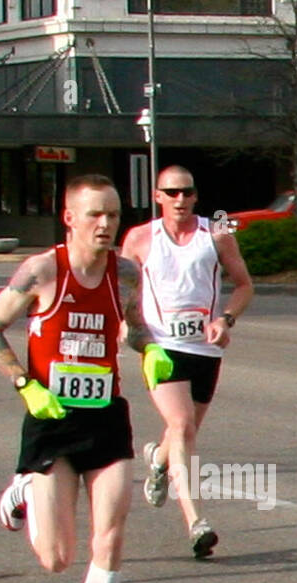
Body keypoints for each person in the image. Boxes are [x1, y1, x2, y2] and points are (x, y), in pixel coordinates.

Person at [0, 174, 146, 583]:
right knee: (55, 559)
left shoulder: (126, 274)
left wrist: (152, 350)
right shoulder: (42, 270)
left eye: (114, 214)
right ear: (69, 217)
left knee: (111, 535)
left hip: (105, 415)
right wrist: (25, 384)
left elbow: (135, 327)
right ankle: (24, 487)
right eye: (95, 214)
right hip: (51, 419)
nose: (106, 224)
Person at [118, 164, 254, 558]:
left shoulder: (216, 234)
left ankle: (158, 460)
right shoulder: (140, 238)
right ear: (157, 195)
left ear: (196, 196)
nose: (180, 199)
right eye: (172, 192)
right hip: (160, 347)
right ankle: (197, 523)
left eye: (187, 192)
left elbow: (245, 285)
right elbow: (123, 291)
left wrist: (226, 319)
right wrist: (127, 327)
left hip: (205, 348)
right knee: (181, 426)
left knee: (185, 430)